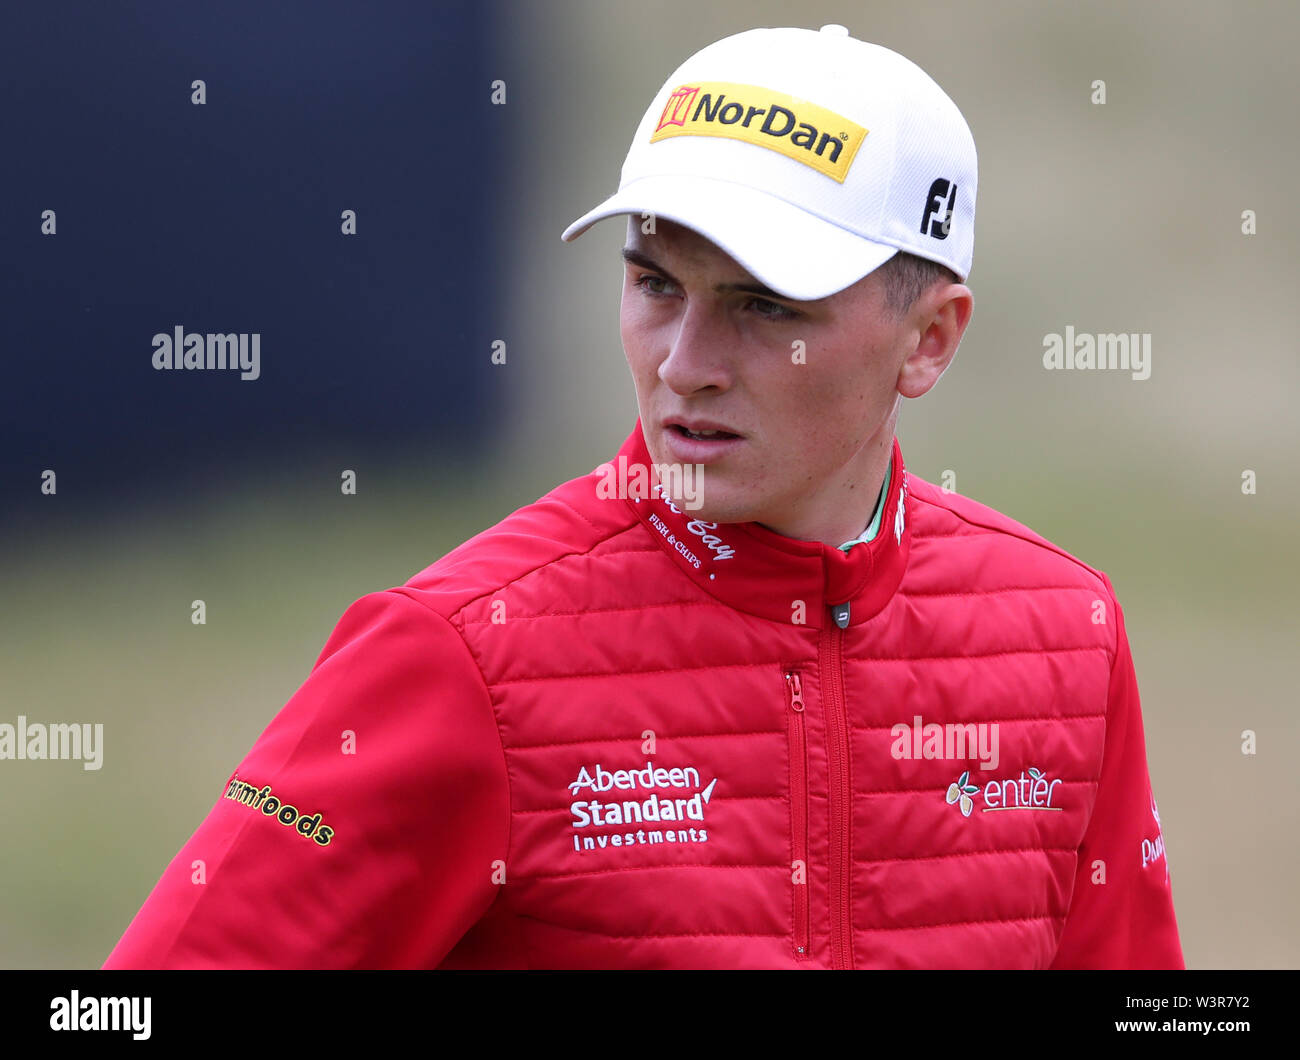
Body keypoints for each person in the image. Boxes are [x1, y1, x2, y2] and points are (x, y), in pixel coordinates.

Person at [104, 24, 1183, 970]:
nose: (684, 362)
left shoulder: (1065, 641)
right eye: (655, 283)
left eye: (764, 306)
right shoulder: (458, 651)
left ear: (929, 339)